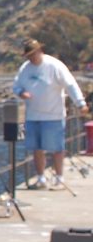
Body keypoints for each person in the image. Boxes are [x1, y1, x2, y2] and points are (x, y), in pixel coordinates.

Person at [12, 38, 89, 190]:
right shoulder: (25, 69)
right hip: (33, 115)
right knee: (37, 148)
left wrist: (80, 103)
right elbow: (16, 86)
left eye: (33, 54)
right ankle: (41, 178)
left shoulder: (54, 65)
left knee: (56, 148)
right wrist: (21, 93)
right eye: (28, 56)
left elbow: (70, 85)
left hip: (53, 115)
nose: (31, 58)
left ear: (40, 51)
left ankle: (59, 178)